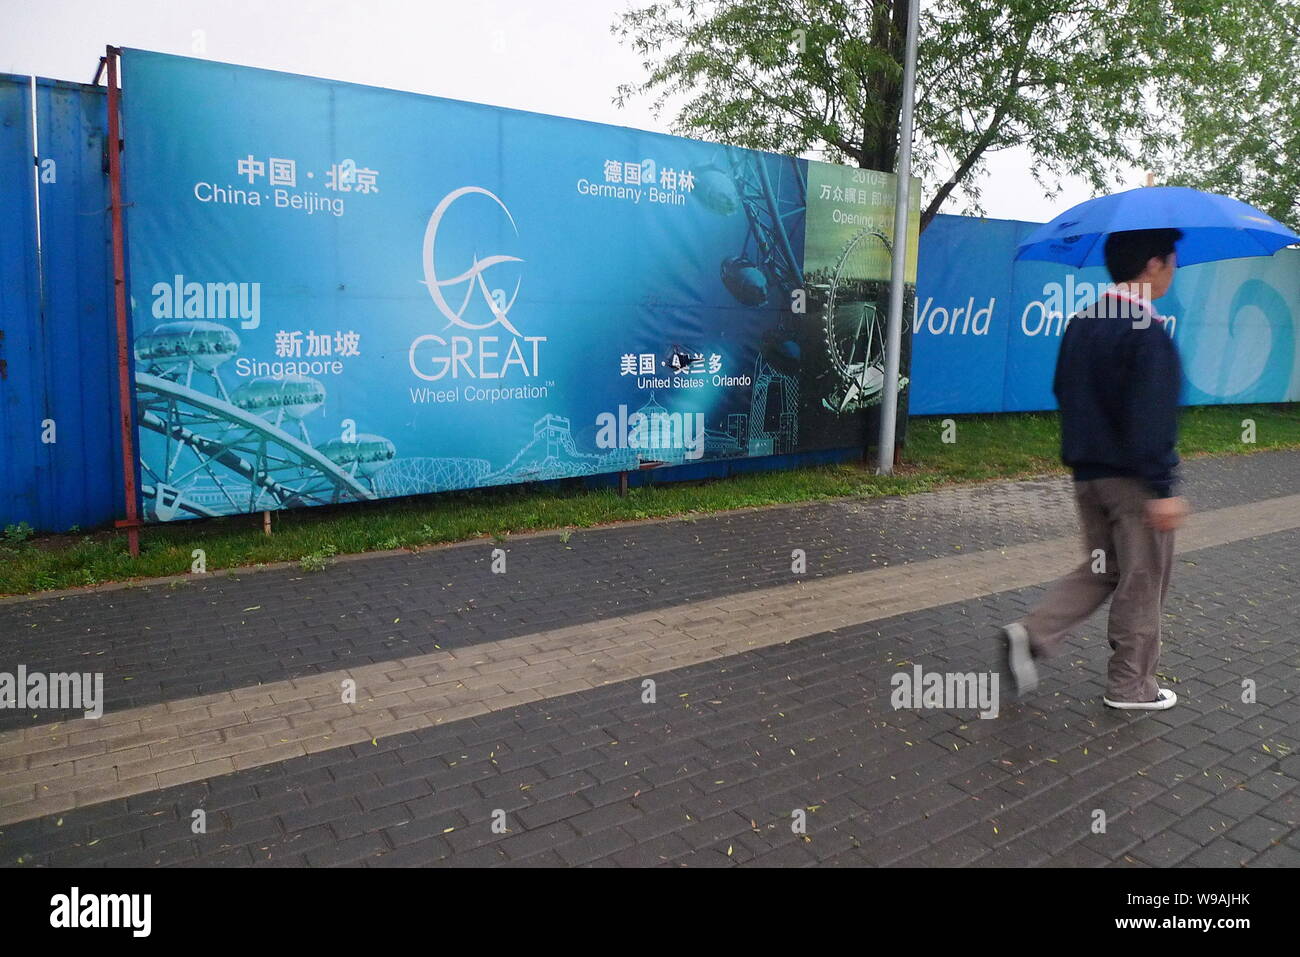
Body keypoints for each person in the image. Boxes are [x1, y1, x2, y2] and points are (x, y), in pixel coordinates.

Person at [1002, 227, 1190, 710]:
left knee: (1103, 568)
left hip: (1088, 476)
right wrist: (1163, 486)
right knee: (1142, 579)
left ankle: (1031, 633)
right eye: (1171, 260)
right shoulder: (1147, 333)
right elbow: (1151, 416)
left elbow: (1064, 391)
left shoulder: (1083, 323)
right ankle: (1132, 687)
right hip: (1134, 483)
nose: (1174, 270)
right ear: (1152, 265)